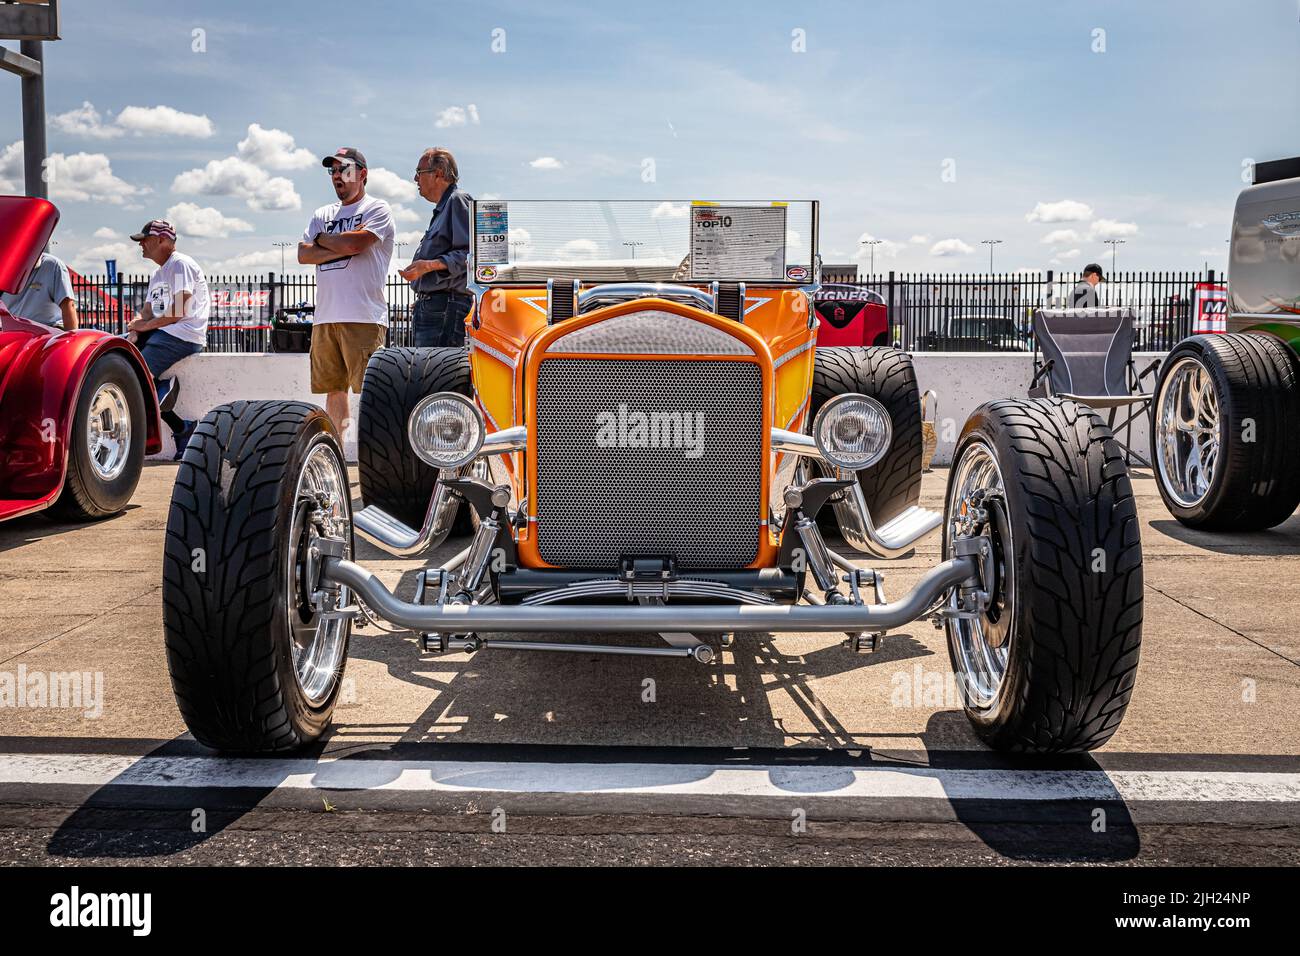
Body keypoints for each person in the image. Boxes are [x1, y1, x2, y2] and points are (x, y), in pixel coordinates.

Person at [300, 147, 395, 434]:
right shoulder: (322, 213)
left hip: (364, 318)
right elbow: (304, 254)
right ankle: (338, 456)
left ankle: (374, 458)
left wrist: (324, 241)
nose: (337, 176)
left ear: (363, 174)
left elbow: (356, 245)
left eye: (345, 169)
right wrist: (341, 244)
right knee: (334, 391)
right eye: (333, 170)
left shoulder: (377, 209)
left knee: (371, 395)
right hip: (325, 318)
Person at [126, 219, 209, 460]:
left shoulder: (180, 264)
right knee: (118, 356)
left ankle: (180, 426)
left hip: (182, 334)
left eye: (145, 240)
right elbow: (148, 310)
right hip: (162, 332)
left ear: (162, 240)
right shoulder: (158, 272)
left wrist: (145, 326)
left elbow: (178, 311)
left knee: (135, 379)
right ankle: (170, 405)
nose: (141, 245)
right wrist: (135, 330)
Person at [399, 147, 473, 347]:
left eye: (419, 172)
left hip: (446, 308)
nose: (415, 179)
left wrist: (428, 266)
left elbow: (471, 255)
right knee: (428, 374)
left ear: (438, 173)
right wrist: (427, 295)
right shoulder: (446, 205)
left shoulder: (457, 200)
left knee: (435, 375)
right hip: (439, 306)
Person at [1, 247, 78, 329]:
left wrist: (72, 338)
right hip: (14, 332)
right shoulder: (4, 266)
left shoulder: (53, 265)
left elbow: (68, 305)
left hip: (48, 331)